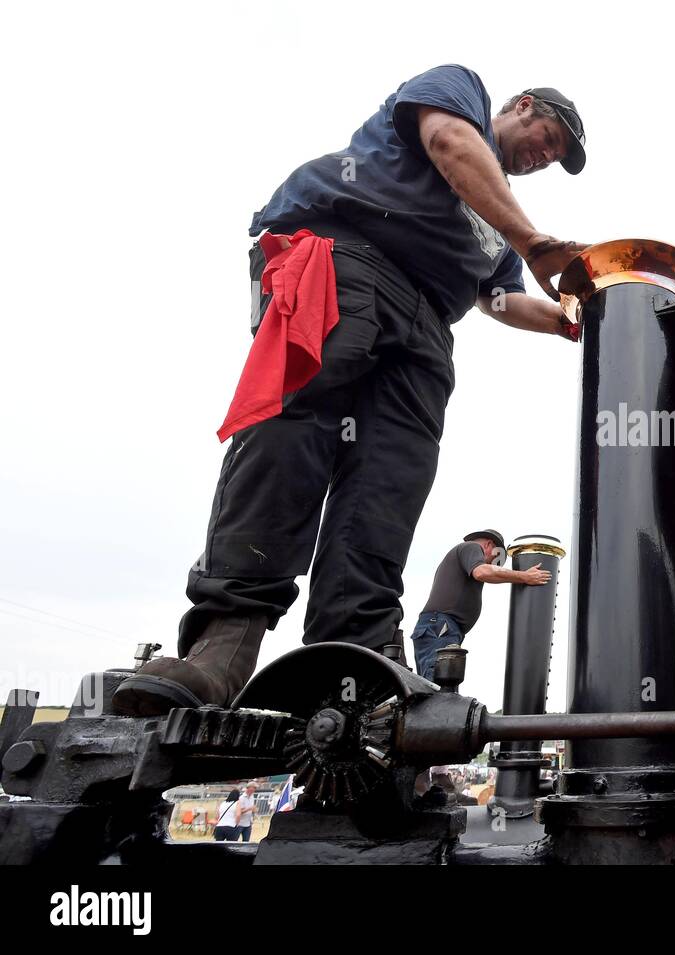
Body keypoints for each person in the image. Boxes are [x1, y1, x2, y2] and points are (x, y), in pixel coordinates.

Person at [114, 66, 587, 717]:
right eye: (548, 134)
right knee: (295, 430)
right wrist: (535, 240)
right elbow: (449, 142)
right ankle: (221, 646)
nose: (545, 152)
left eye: (555, 155)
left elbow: (500, 297)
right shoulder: (462, 96)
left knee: (388, 483)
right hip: (346, 258)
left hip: (426, 329)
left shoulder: (496, 226)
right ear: (522, 105)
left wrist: (570, 317)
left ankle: (353, 668)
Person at [412, 530, 550, 681]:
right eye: (496, 558)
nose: (492, 564)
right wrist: (525, 577)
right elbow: (481, 572)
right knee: (439, 685)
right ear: (489, 545)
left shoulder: (461, 557)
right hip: (440, 627)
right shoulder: (471, 547)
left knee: (437, 685)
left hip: (441, 628)